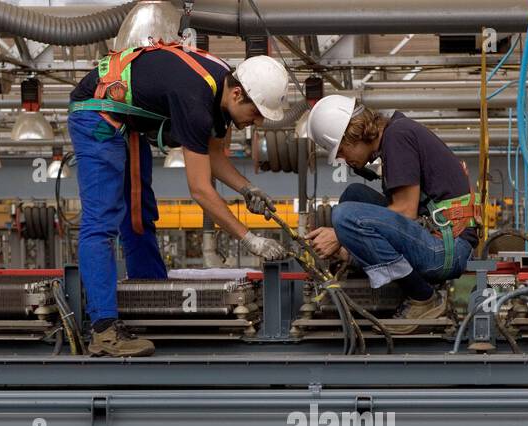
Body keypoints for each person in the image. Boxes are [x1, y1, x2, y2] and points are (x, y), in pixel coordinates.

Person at [68, 43, 293, 356]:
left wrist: (247, 189)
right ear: (238, 95)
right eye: (256, 113)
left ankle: (149, 307)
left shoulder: (220, 86)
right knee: (102, 220)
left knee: (139, 214)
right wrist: (249, 238)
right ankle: (104, 331)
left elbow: (212, 152)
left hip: (125, 121)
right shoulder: (196, 98)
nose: (257, 122)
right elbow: (200, 189)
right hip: (98, 117)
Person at [303, 95, 482, 333]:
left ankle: (423, 298)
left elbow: (406, 211)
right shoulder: (396, 134)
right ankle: (358, 261)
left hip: (447, 251)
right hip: (439, 236)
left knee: (345, 216)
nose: (343, 160)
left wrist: (339, 235)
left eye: (342, 151)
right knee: (355, 195)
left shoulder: (397, 137)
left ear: (354, 134)